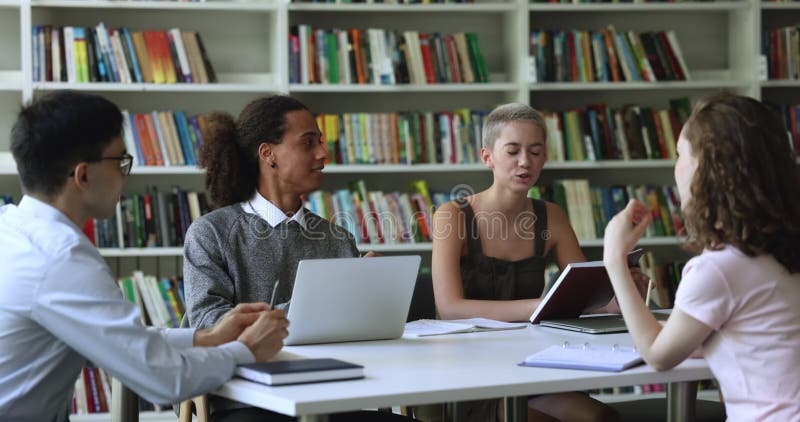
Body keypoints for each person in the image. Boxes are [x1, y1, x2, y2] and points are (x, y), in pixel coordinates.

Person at [0, 90, 289, 422]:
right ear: (82, 176)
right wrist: (247, 350)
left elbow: (117, 338)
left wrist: (207, 337)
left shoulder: (13, 227)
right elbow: (164, 380)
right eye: (120, 161)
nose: (127, 175)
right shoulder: (61, 258)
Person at [183, 95, 409, 422]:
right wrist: (324, 301)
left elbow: (357, 334)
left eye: (320, 142)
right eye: (308, 143)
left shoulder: (337, 238)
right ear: (268, 154)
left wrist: (372, 296)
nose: (322, 154)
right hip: (249, 403)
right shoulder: (211, 233)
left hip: (333, 397)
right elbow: (206, 325)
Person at [603, 93, 800, 420]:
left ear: (707, 170)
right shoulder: (782, 247)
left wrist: (614, 259)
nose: (676, 167)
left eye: (680, 154)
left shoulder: (719, 267)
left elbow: (657, 355)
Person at [431, 103, 631, 422]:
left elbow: (581, 296)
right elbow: (450, 308)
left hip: (533, 364)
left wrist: (613, 300)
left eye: (535, 151)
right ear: (487, 157)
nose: (525, 161)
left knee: (600, 418)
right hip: (469, 372)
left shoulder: (552, 216)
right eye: (513, 151)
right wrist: (541, 306)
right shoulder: (452, 215)